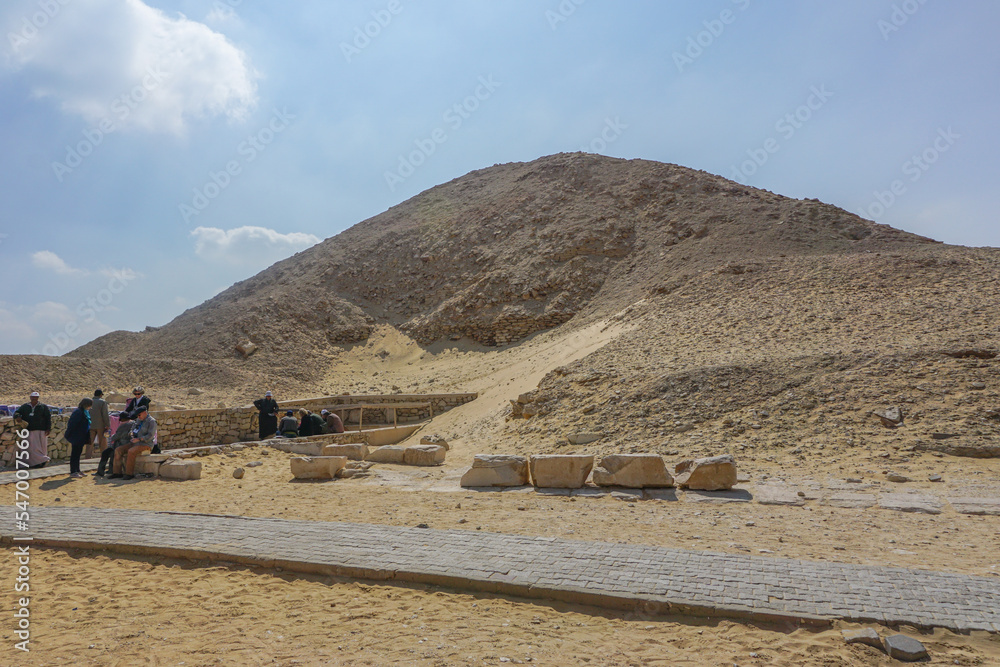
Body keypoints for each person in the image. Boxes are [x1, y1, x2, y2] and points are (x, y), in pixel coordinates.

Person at [110, 405, 156, 480]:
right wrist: (131, 434)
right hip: (134, 442)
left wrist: (139, 439)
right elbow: (133, 429)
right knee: (118, 450)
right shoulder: (138, 420)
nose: (138, 416)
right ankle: (117, 472)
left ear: (144, 413)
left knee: (131, 451)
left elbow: (150, 436)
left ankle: (129, 474)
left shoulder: (151, 422)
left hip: (145, 444)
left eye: (139, 415)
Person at [13, 391, 51, 468]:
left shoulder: (43, 407)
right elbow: (16, 412)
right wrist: (18, 417)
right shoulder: (25, 406)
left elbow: (48, 418)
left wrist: (48, 428)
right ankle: (34, 463)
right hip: (29, 430)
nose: (34, 399)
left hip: (40, 430)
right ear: (30, 398)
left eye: (36, 398)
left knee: (39, 448)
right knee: (30, 448)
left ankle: (41, 461)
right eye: (33, 398)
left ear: (38, 398)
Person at [96, 413, 133, 478]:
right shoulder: (132, 423)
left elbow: (116, 436)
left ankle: (101, 471)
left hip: (121, 444)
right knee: (110, 453)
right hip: (125, 444)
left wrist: (112, 437)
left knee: (107, 453)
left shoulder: (124, 425)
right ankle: (110, 470)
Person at [64, 398, 93, 478]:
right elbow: (72, 424)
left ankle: (77, 469)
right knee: (75, 454)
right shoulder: (78, 412)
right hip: (77, 436)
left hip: (82, 436)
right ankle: (73, 471)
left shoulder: (84, 412)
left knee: (78, 453)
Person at [87, 389, 110, 459]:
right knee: (102, 443)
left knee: (90, 442)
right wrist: (107, 424)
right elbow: (105, 414)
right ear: (100, 395)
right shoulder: (102, 402)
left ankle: (87, 457)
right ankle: (104, 457)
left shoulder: (89, 402)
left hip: (90, 425)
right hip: (100, 425)